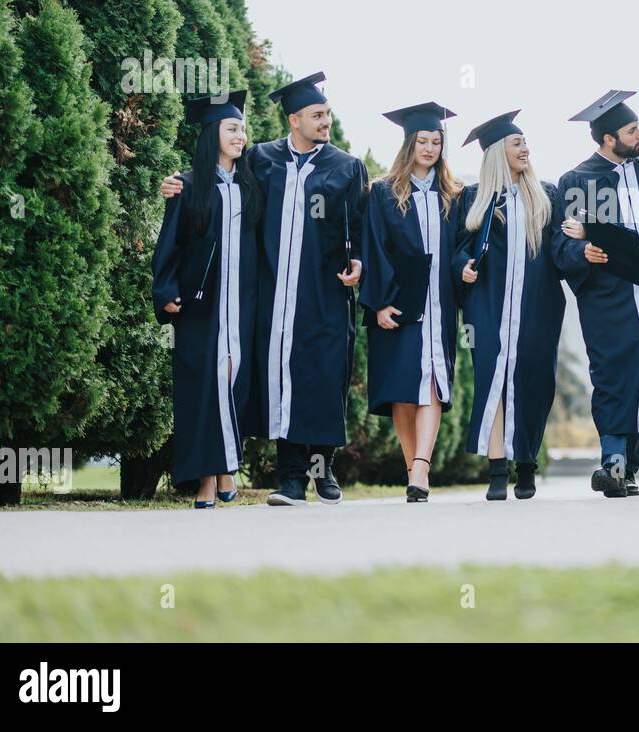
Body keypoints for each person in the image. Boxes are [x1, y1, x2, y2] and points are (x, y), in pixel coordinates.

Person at [162, 72, 369, 506]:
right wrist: (177, 183)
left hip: (323, 293)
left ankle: (322, 465)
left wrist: (359, 262)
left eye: (328, 114)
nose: (326, 121)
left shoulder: (346, 167)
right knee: (280, 379)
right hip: (271, 296)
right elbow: (218, 176)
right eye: (318, 115)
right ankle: (291, 478)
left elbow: (359, 229)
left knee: (322, 376)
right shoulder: (262, 159)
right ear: (294, 120)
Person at [555, 89, 639, 498]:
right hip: (607, 299)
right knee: (611, 377)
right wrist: (582, 251)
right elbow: (560, 245)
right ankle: (613, 459)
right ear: (609, 139)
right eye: (631, 130)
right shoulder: (576, 182)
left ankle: (628, 467)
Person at [151, 91, 260, 508]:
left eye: (243, 129)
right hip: (201, 305)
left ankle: (224, 470)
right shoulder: (188, 184)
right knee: (205, 387)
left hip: (243, 304)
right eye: (232, 129)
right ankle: (211, 479)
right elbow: (169, 245)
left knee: (233, 381)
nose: (240, 136)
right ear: (213, 133)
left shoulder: (252, 185)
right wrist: (166, 290)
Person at [454, 110, 567, 501]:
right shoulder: (474, 198)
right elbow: (457, 250)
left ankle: (527, 463)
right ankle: (498, 469)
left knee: (534, 381)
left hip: (539, 307)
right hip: (488, 307)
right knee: (493, 380)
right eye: (517, 143)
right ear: (498, 152)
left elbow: (563, 250)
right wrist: (462, 267)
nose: (526, 149)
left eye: (525, 143)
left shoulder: (548, 195)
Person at [359, 102, 462, 503]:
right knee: (402, 390)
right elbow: (373, 250)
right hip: (399, 305)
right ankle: (413, 470)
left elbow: (460, 250)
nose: (430, 147)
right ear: (409, 143)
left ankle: (422, 468)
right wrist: (379, 304)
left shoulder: (453, 195)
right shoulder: (383, 193)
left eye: (437, 141)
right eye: (423, 140)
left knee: (433, 384)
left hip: (440, 306)